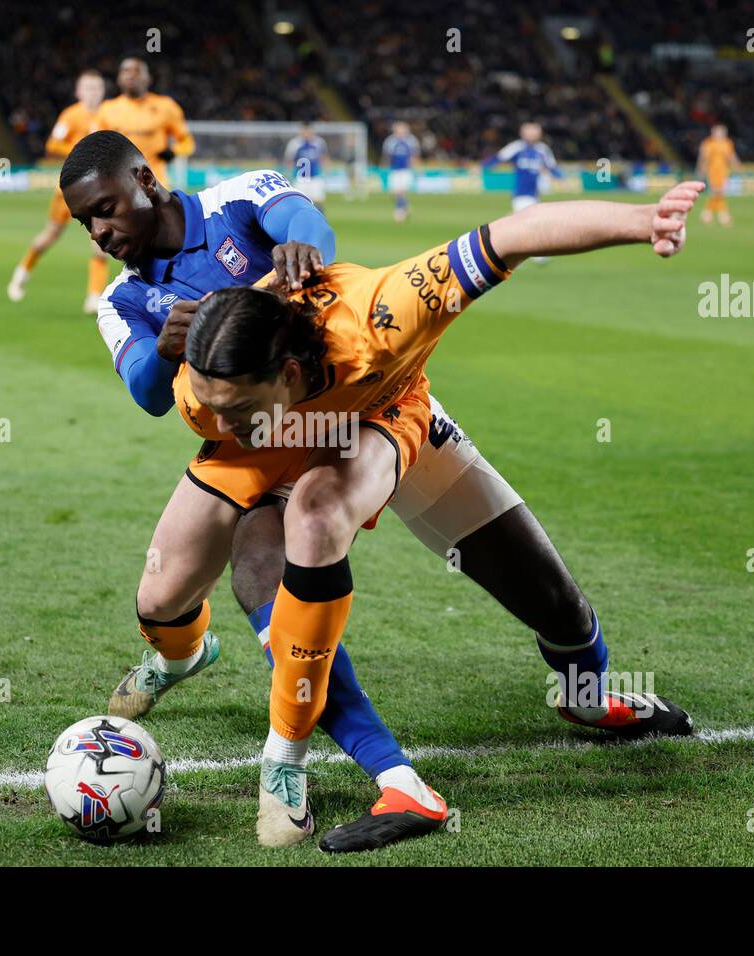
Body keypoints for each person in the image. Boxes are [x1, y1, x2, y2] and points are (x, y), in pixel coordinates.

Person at [68, 131, 701, 845]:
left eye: (104, 209)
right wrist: (217, 398)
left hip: (380, 409)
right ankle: (359, 766)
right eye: (84, 222)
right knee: (176, 589)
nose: (98, 233)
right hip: (266, 435)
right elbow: (171, 400)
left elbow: (510, 235)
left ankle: (586, 701)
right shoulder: (202, 394)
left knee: (547, 597)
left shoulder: (378, 312)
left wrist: (640, 220)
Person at [91, 55, 196, 311]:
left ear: (147, 78)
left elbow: (186, 141)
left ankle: (168, 292)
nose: (130, 75)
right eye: (125, 70)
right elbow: (94, 147)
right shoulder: (107, 110)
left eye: (136, 71)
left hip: (154, 188)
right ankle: (95, 294)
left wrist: (174, 151)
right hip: (117, 188)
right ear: (118, 78)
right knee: (105, 237)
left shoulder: (165, 106)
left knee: (158, 241)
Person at [8, 70, 106, 310]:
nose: (93, 92)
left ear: (103, 91)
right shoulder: (71, 115)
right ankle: (23, 271)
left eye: (97, 87)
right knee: (49, 236)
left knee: (101, 242)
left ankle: (94, 297)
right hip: (69, 189)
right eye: (88, 87)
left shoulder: (109, 115)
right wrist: (81, 148)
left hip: (96, 190)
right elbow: (53, 144)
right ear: (78, 92)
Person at [483, 122, 562, 262]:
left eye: (535, 131)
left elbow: (552, 167)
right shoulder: (517, 147)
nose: (532, 134)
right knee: (531, 222)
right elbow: (499, 158)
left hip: (535, 194)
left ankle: (494, 241)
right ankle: (536, 255)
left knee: (519, 221)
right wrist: (483, 167)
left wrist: (561, 178)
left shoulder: (543, 150)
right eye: (529, 131)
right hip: (521, 193)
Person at [697, 123, 740, 226]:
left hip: (724, 171)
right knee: (716, 192)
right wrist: (702, 170)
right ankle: (722, 216)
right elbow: (704, 158)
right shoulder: (708, 143)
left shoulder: (727, 143)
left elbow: (731, 156)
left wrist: (736, 165)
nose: (720, 134)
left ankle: (707, 214)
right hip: (712, 171)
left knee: (719, 193)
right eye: (718, 132)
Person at [283, 121, 329, 212]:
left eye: (309, 131)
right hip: (300, 178)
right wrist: (288, 174)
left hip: (315, 177)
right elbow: (289, 160)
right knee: (299, 202)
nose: (307, 133)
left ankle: (320, 222)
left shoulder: (319, 142)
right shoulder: (294, 143)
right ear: (301, 131)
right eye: (305, 131)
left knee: (318, 201)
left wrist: (325, 170)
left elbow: (324, 157)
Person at [381, 120, 420, 222]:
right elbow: (387, 156)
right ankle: (406, 206)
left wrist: (415, 165)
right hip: (394, 170)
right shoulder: (390, 141)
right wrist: (385, 166)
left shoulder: (411, 140)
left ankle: (399, 212)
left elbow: (415, 155)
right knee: (394, 193)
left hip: (406, 170)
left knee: (402, 191)